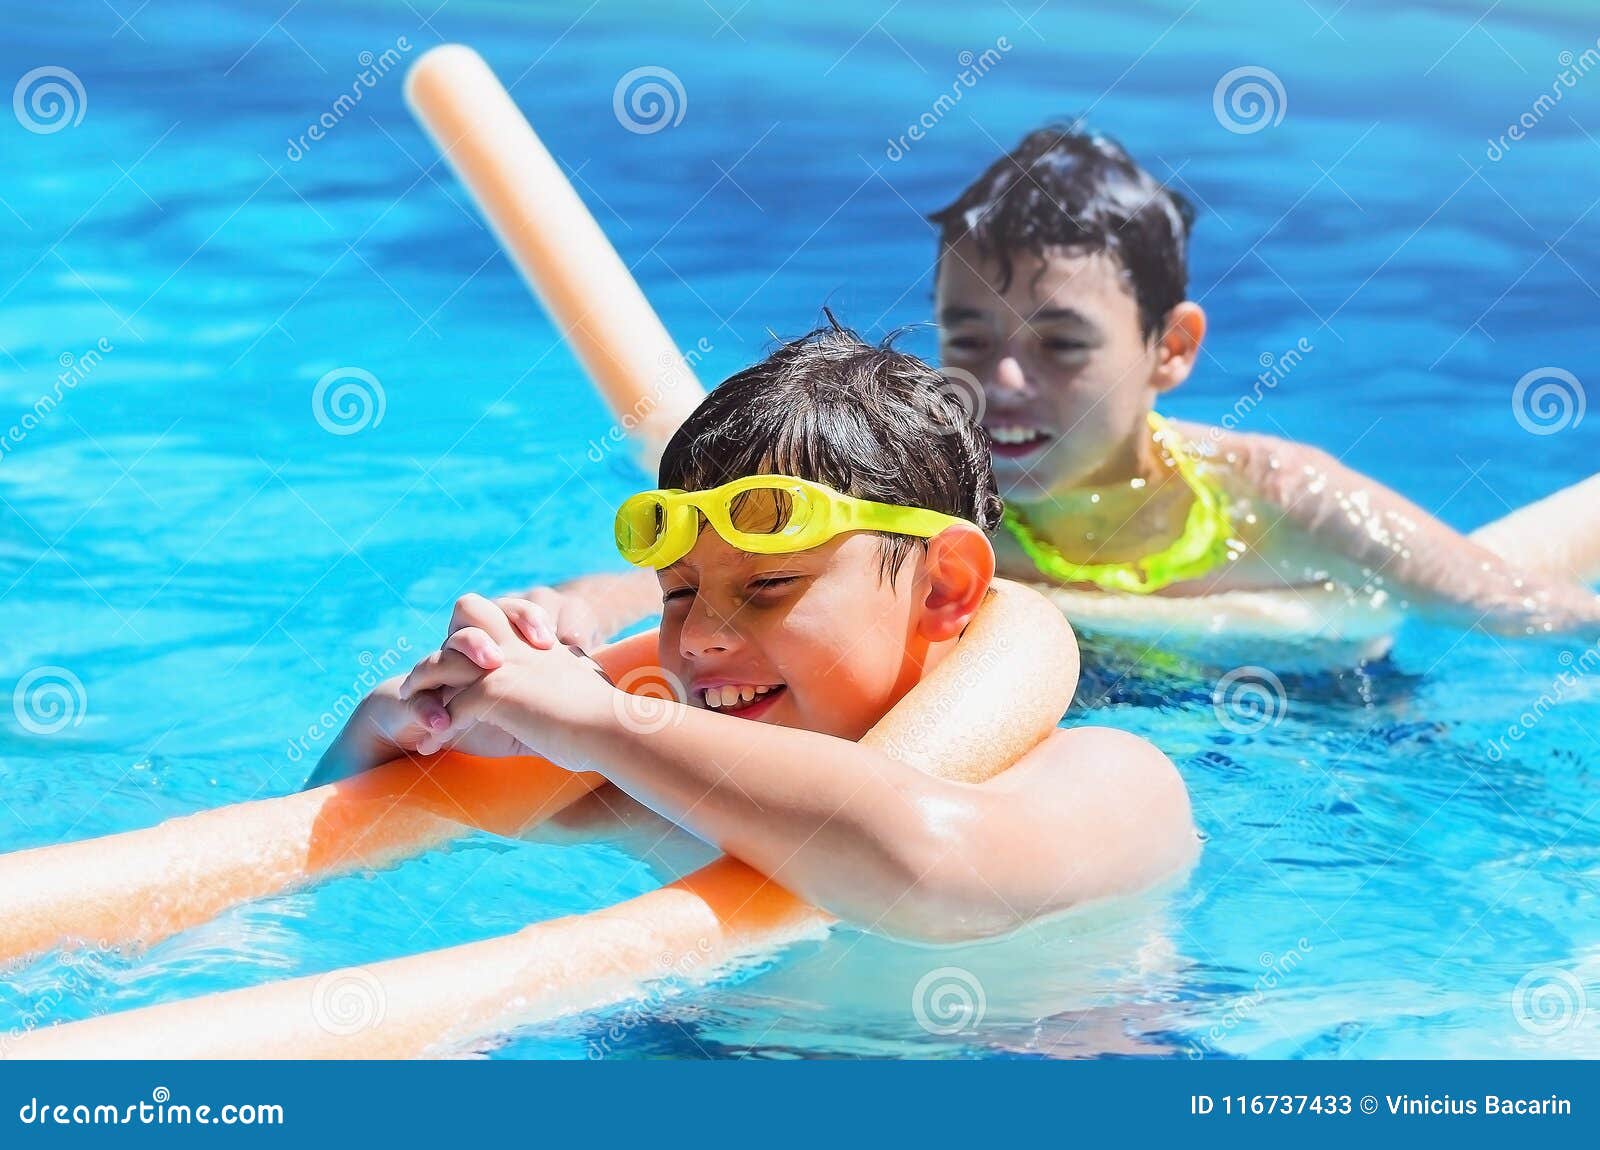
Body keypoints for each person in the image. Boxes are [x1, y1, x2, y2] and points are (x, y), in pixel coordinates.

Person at [533, 127, 1600, 653]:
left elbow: (1515, 613)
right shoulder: (935, 490)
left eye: (1059, 344)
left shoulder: (1279, 499)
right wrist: (574, 610)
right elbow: (732, 574)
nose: (999, 384)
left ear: (1170, 349)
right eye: (967, 336)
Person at [309, 326, 1196, 941]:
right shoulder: (657, 793)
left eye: (768, 587)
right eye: (677, 594)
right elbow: (345, 861)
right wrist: (405, 721)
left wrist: (600, 722)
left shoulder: (1109, 778)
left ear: (945, 588)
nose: (698, 641)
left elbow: (929, 876)